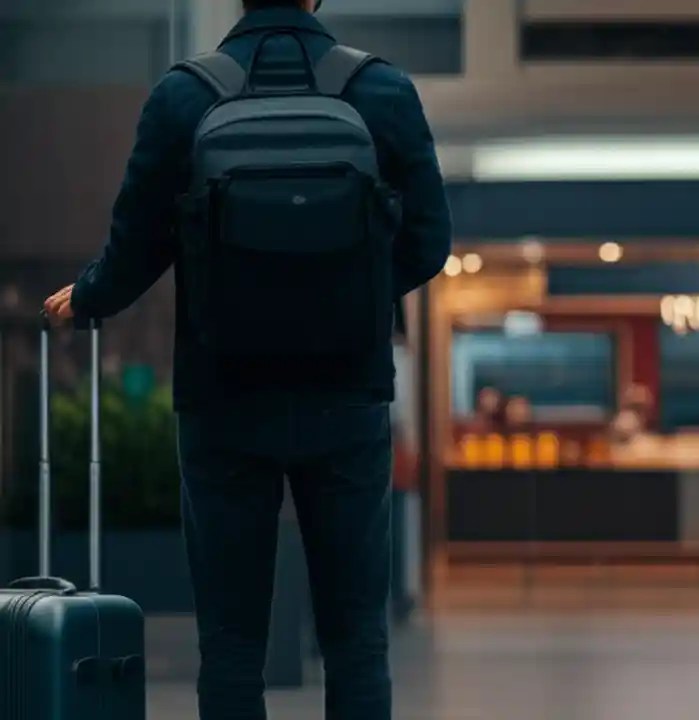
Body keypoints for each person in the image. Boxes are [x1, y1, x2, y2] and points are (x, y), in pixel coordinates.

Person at [43, 1, 452, 719]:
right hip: (347, 398)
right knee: (357, 641)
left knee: (231, 644)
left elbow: (138, 245)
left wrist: (87, 297)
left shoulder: (184, 96)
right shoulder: (379, 91)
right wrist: (348, 302)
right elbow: (429, 240)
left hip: (222, 397)